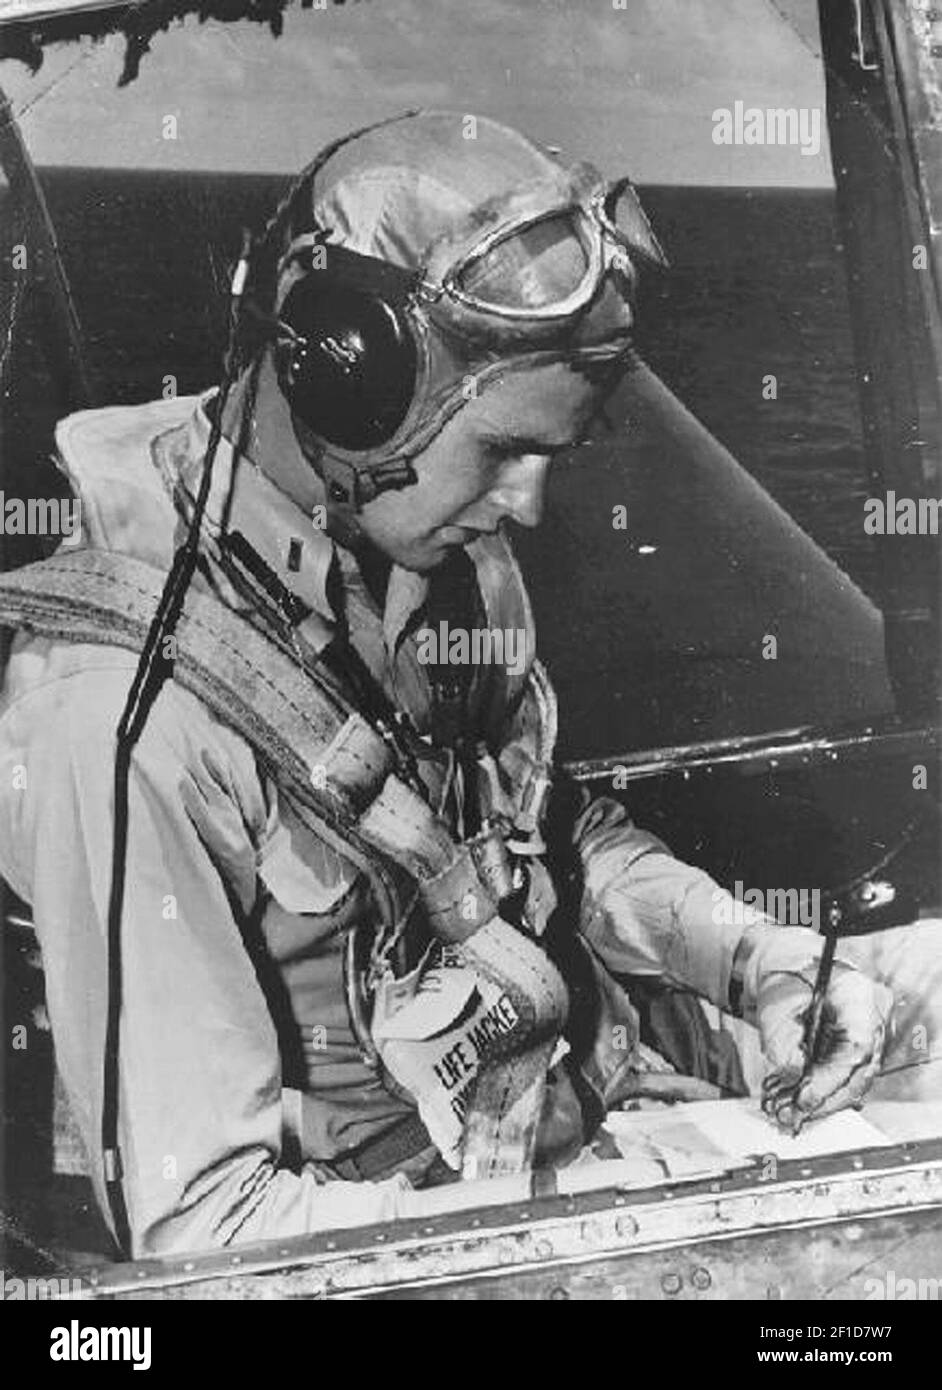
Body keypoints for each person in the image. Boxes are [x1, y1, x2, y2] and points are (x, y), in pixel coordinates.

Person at [0, 111, 935, 1260]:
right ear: (348, 379)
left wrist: (757, 960)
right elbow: (207, 1238)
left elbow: (542, 834)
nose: (530, 507)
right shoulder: (115, 715)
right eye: (501, 452)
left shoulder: (431, 540)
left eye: (553, 454)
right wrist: (613, 1234)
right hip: (439, 1225)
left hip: (610, 1086)